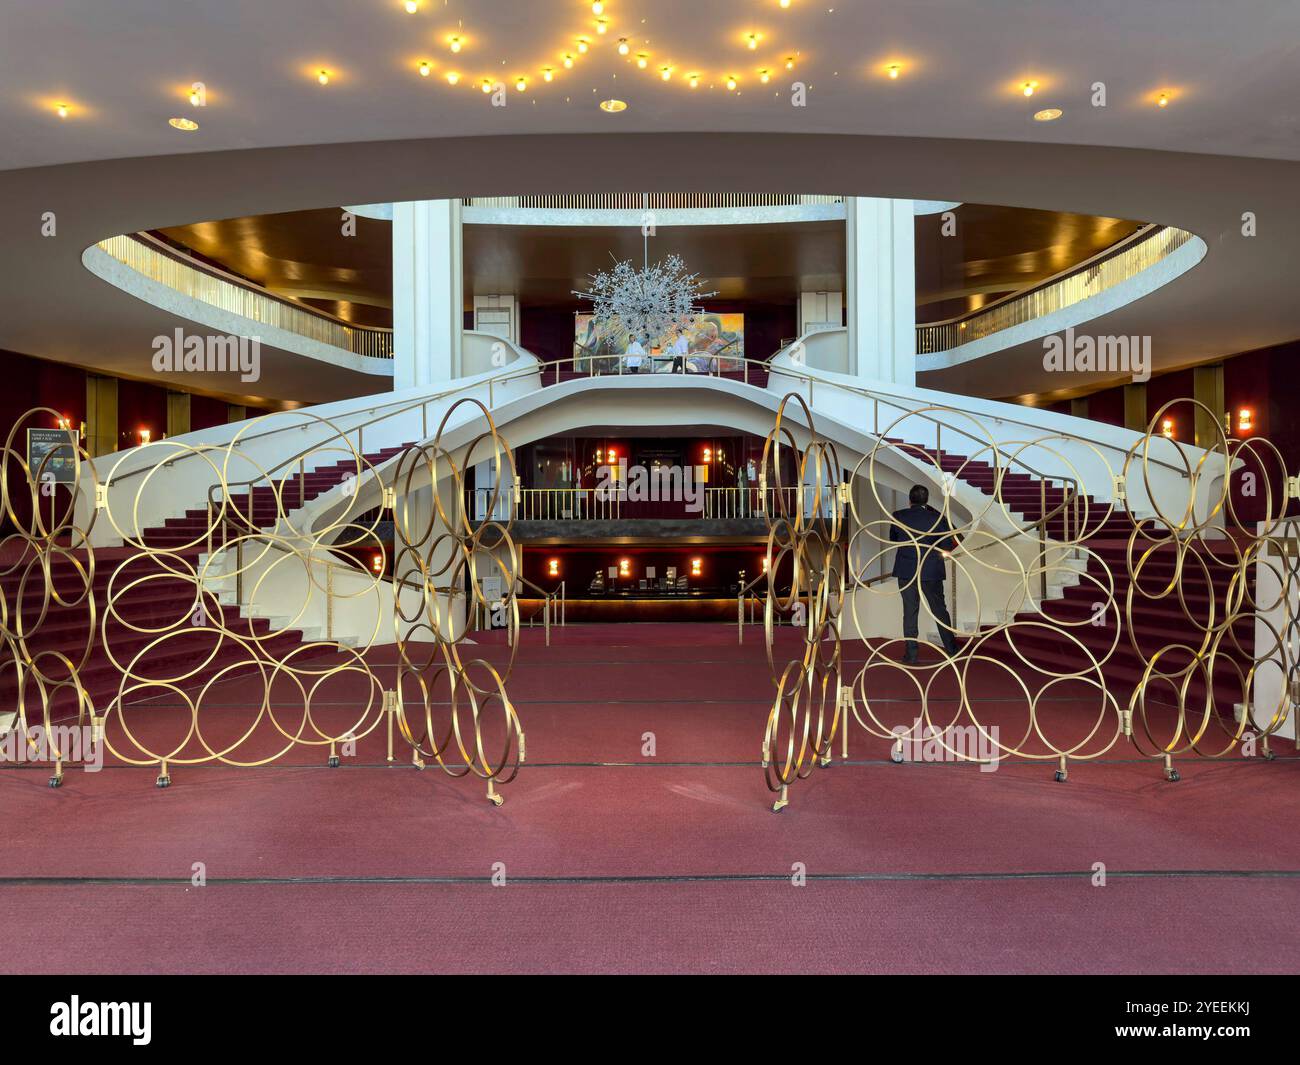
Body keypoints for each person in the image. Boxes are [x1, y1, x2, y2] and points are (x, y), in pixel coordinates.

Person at [890, 484, 959, 663]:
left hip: (906, 570)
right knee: (939, 610)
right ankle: (951, 649)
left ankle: (911, 655)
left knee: (910, 612)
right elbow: (946, 546)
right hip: (931, 570)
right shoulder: (937, 518)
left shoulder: (898, 516)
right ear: (926, 500)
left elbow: (894, 539)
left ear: (909, 500)